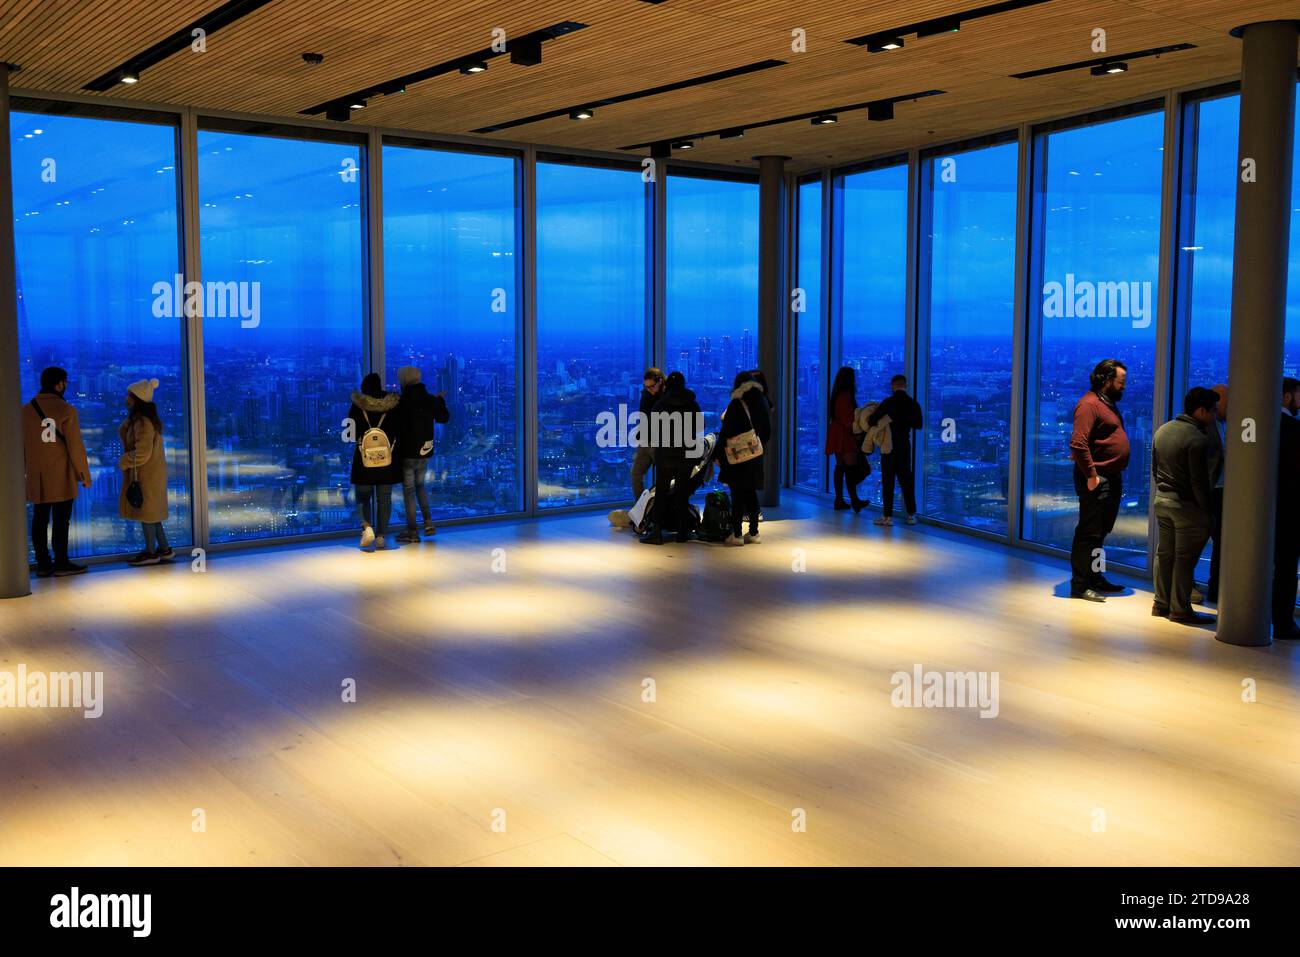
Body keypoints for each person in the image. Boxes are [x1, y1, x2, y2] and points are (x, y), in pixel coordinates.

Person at [1150, 388, 1218, 624]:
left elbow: (1154, 469)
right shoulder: (1197, 439)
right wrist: (1207, 511)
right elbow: (1199, 482)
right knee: (1184, 559)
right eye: (1212, 411)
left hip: (1162, 500)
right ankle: (1180, 609)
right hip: (1185, 506)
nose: (1215, 416)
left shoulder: (1162, 430)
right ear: (1201, 411)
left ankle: (1160, 603)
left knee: (1165, 554)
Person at [1067, 359, 1131, 602]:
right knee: (1089, 533)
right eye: (1121, 381)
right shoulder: (1089, 405)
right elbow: (1078, 443)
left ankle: (1095, 577)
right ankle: (1080, 585)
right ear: (1107, 381)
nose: (1124, 386)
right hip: (1097, 478)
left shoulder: (1106, 403)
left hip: (1109, 476)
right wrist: (1092, 476)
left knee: (1100, 533)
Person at [21, 366, 92, 577]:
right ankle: (61, 563)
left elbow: (20, 445)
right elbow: (75, 447)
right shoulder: (67, 410)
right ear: (59, 384)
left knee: (39, 520)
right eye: (65, 382)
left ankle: (43, 564)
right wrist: (84, 475)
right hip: (61, 475)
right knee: (61, 522)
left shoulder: (25, 410)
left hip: (37, 475)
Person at [641, 371, 701, 546]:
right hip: (686, 455)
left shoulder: (661, 404)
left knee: (661, 492)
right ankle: (682, 532)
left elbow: (650, 430)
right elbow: (699, 428)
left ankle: (657, 531)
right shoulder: (692, 404)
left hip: (665, 455)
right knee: (682, 494)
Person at [118, 378, 173, 567]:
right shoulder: (145, 421)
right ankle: (164, 548)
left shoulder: (143, 423)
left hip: (145, 475)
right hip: (152, 473)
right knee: (152, 513)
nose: (126, 399)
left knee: (146, 513)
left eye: (130, 396)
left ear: (137, 400)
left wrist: (124, 461)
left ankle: (150, 552)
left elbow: (142, 453)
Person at [348, 373, 402, 551]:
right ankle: (381, 536)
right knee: (384, 499)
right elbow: (400, 431)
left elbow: (350, 434)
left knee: (363, 497)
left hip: (364, 461)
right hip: (387, 460)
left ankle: (367, 527)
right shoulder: (394, 405)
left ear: (364, 387)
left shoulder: (357, 406)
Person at [394, 366, 448, 544]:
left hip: (407, 453)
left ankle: (412, 532)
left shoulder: (402, 401)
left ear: (404, 379)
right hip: (425, 451)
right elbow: (443, 418)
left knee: (409, 491)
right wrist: (439, 400)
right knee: (420, 486)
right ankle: (428, 523)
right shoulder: (429, 399)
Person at [717, 371, 772, 546]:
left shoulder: (736, 404)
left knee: (737, 495)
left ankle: (737, 534)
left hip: (737, 458)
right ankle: (754, 533)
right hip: (755, 456)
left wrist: (718, 455)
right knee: (751, 493)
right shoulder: (762, 402)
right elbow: (767, 432)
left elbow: (726, 433)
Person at [868, 374, 923, 527]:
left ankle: (887, 517)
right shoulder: (913, 403)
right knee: (906, 481)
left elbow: (871, 420)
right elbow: (918, 424)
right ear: (906, 386)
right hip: (904, 446)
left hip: (888, 446)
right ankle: (911, 515)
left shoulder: (888, 402)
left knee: (888, 481)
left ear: (893, 386)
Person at [1272, 378, 1300, 639]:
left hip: (1266, 508)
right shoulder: (1294, 428)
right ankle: (1283, 622)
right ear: (1287, 397)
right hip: (1290, 510)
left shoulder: (1263, 425)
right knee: (1287, 568)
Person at [1198, 383, 1228, 604]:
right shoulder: (1205, 427)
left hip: (1222, 490)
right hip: (1211, 490)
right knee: (1208, 538)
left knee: (1221, 541)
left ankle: (1216, 587)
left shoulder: (1225, 425)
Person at [826, 366, 866, 513]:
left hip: (837, 432)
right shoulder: (845, 396)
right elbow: (848, 419)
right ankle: (854, 501)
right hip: (845, 434)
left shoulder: (837, 394)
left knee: (840, 466)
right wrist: (858, 433)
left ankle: (840, 500)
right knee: (850, 468)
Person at [631, 367, 664, 500]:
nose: (649, 389)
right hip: (646, 440)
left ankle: (660, 505)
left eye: (651, 386)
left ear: (660, 382)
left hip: (659, 443)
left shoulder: (667, 397)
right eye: (646, 387)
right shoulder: (646, 395)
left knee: (665, 477)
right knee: (636, 474)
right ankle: (643, 506)